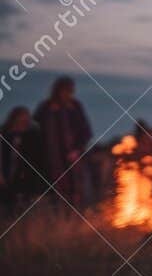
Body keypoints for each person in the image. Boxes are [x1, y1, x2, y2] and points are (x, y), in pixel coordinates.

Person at [34, 76, 92, 207]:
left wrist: (77, 149)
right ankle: (59, 215)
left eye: (70, 90)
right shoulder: (46, 107)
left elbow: (85, 131)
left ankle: (75, 215)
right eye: (65, 90)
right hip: (52, 156)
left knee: (76, 186)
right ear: (57, 90)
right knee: (57, 186)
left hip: (73, 154)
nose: (67, 93)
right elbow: (38, 127)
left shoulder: (75, 107)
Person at [0, 106, 45, 213]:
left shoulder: (31, 136)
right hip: (7, 174)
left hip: (22, 178)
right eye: (21, 120)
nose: (23, 123)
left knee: (20, 208)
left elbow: (36, 160)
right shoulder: (5, 134)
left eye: (26, 120)